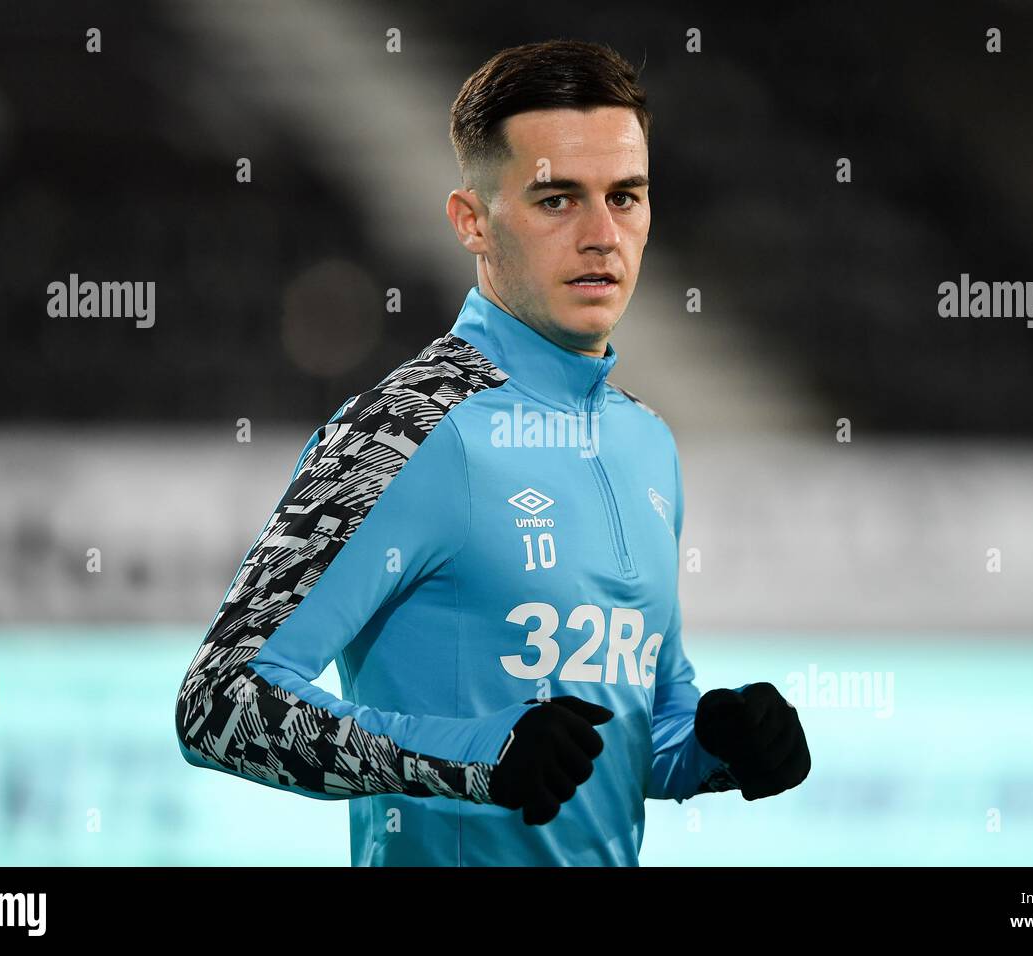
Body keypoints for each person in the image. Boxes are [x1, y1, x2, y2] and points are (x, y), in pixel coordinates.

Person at [175, 38, 810, 866]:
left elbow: (633, 734)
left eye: (625, 196)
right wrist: (476, 758)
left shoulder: (646, 442)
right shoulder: (405, 428)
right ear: (472, 220)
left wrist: (721, 747)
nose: (600, 235)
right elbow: (219, 704)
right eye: (556, 200)